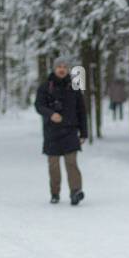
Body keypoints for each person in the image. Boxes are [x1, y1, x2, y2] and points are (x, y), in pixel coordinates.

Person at [35, 58, 88, 205]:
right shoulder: (45, 87)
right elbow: (38, 106)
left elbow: (82, 111)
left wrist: (84, 133)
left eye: (65, 67)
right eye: (59, 66)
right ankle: (55, 193)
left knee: (71, 163)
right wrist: (51, 114)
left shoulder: (75, 87)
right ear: (54, 68)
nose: (62, 69)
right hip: (52, 132)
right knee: (54, 166)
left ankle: (75, 192)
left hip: (70, 131)